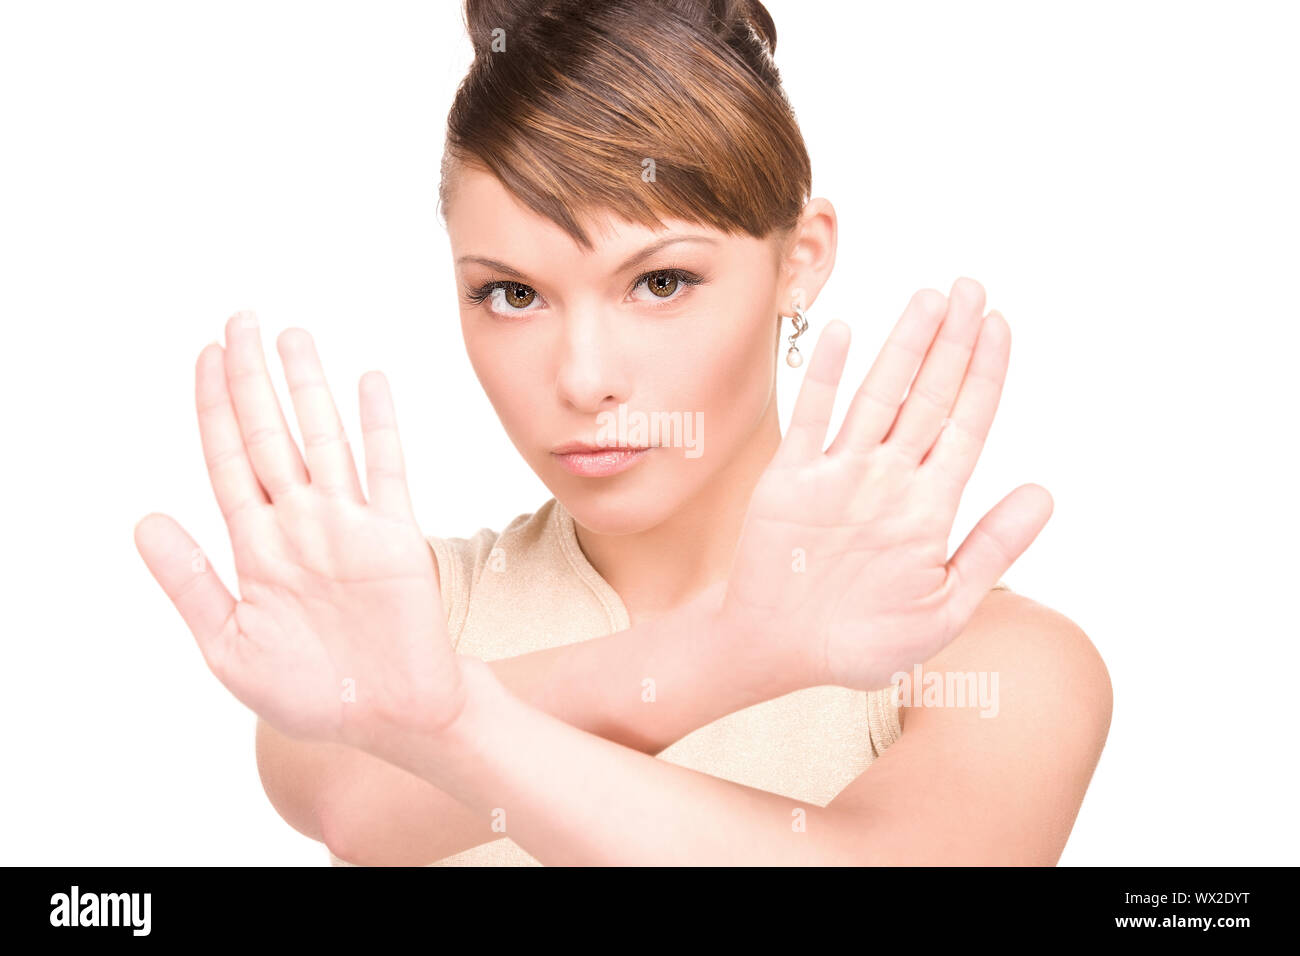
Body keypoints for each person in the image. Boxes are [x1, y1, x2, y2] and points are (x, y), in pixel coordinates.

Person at [134, 0, 1111, 865]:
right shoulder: (386, 614)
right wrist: (737, 652)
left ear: (799, 260)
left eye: (660, 281)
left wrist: (448, 722)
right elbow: (352, 806)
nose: (583, 377)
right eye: (511, 293)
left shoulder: (999, 663)